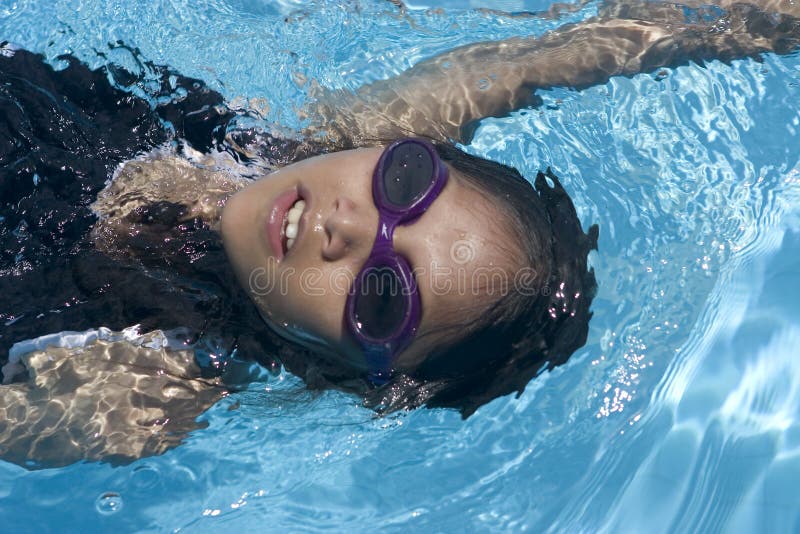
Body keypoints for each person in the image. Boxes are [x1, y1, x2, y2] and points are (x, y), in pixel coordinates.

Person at [0, 0, 798, 467]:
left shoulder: (143, 384)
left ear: (347, 374)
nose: (352, 224)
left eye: (382, 296)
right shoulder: (294, 149)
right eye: (405, 183)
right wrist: (747, 22)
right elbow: (549, 59)